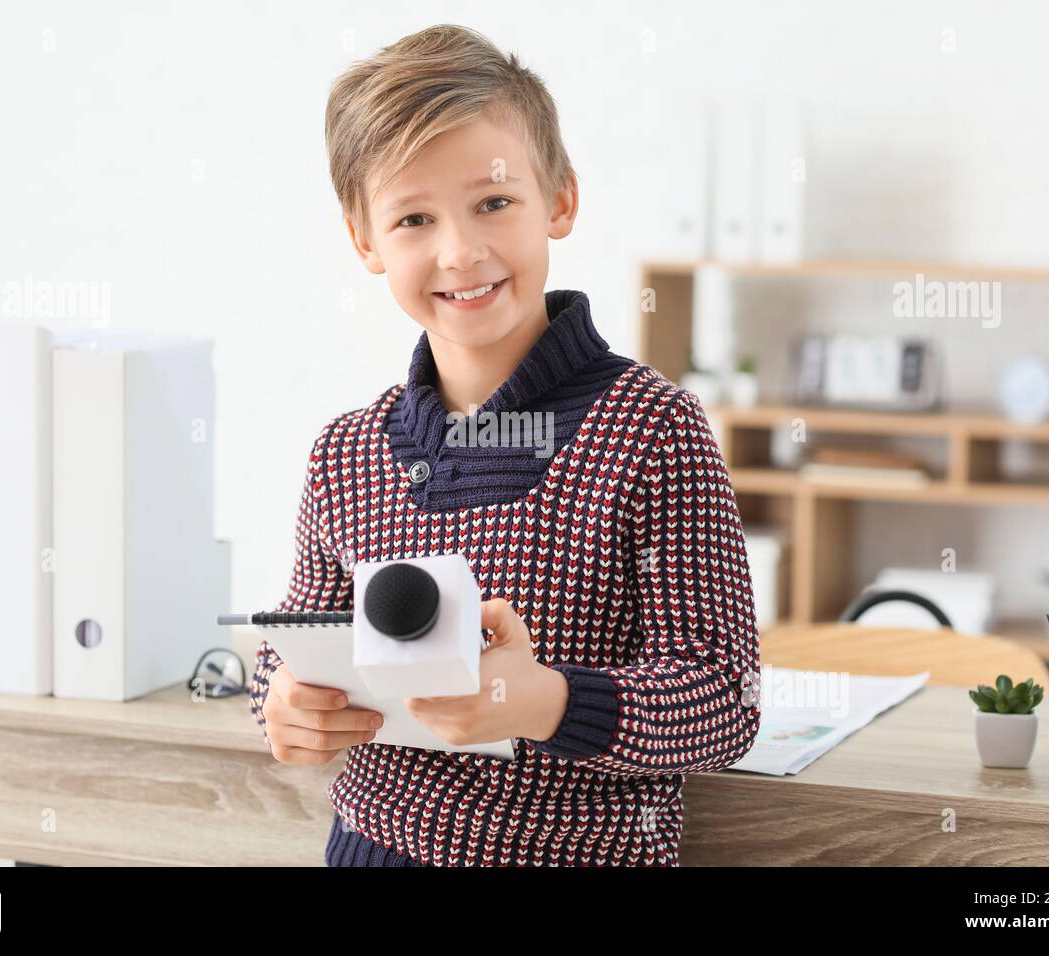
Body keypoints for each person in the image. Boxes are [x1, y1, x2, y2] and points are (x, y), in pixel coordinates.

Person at [249, 23, 761, 867]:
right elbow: (293, 645)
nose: (461, 251)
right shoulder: (345, 453)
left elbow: (725, 699)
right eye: (414, 218)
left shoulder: (655, 429)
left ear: (559, 198)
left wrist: (550, 704)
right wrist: (280, 702)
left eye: (493, 202)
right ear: (365, 241)